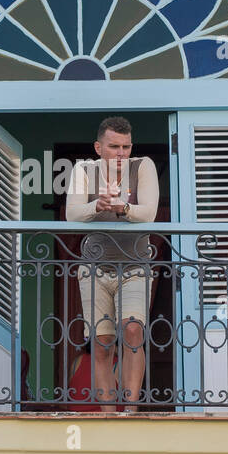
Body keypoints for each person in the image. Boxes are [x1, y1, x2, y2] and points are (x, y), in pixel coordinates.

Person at [65, 117, 159, 412]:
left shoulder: (142, 166)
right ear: (98, 147)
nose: (121, 153)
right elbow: (72, 214)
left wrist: (123, 207)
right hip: (94, 269)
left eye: (126, 146)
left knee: (132, 331)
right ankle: (108, 415)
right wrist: (97, 205)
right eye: (114, 146)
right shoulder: (84, 170)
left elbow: (149, 213)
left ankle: (129, 411)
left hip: (134, 268)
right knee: (103, 341)